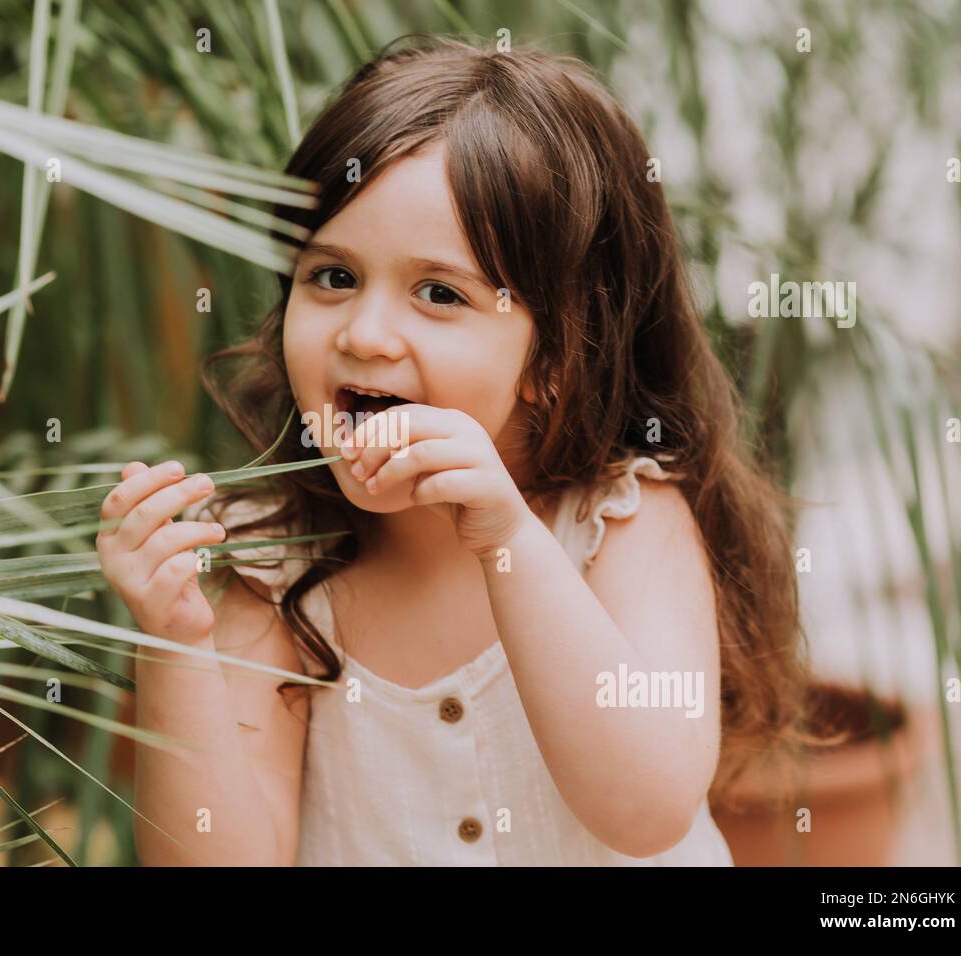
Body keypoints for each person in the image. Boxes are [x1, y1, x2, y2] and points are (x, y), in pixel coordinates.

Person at [97, 36, 811, 866]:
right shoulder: (273, 561)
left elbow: (647, 809)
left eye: (439, 293)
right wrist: (176, 643)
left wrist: (509, 540)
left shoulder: (622, 523)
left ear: (555, 359)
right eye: (332, 277)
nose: (365, 334)